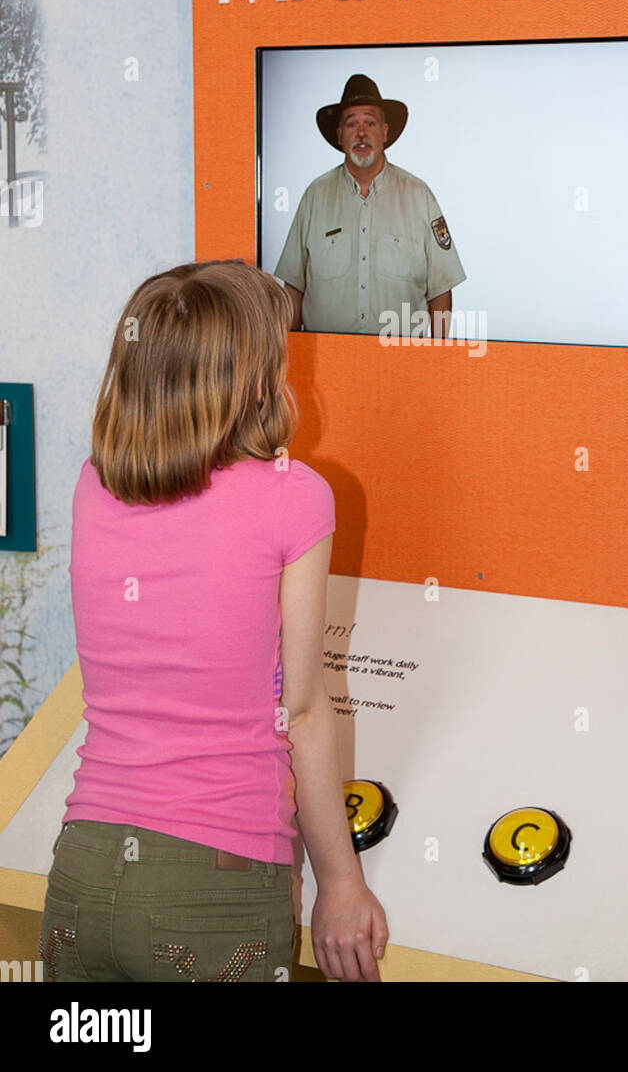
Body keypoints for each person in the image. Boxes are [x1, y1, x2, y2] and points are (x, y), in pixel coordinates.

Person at [39, 259, 388, 982]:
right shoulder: (296, 497)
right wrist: (341, 886)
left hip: (82, 869)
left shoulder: (92, 486)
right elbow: (303, 709)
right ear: (253, 381)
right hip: (213, 886)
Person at [274, 73, 467, 336]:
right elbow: (294, 287)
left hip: (402, 364)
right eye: (352, 124)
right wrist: (293, 359)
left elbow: (440, 289)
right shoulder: (314, 197)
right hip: (326, 366)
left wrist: (437, 360)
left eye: (370, 123)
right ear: (340, 135)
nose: (362, 133)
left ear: (384, 132)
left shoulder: (419, 196)